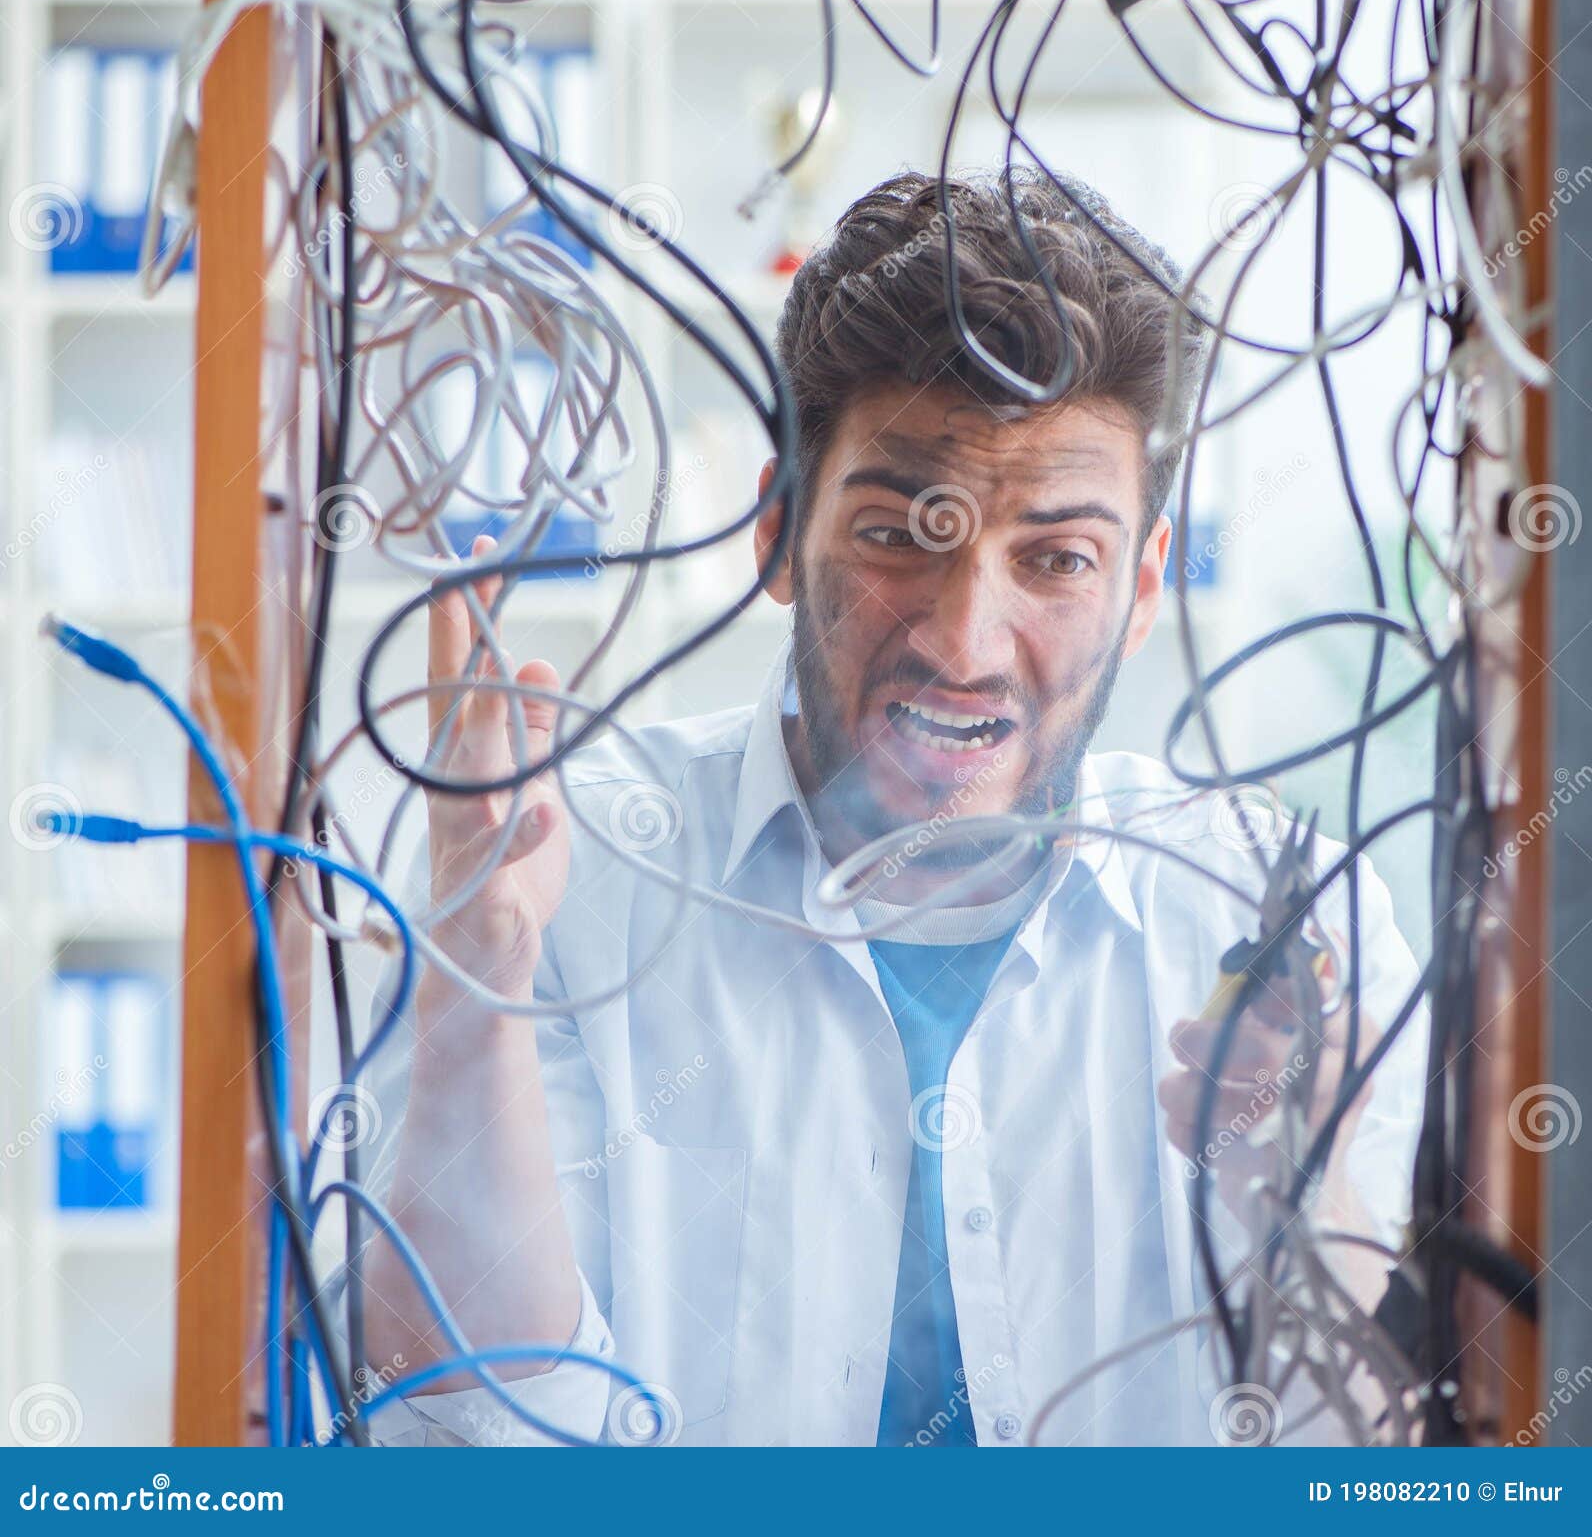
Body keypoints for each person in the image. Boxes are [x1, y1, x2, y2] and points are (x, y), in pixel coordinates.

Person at [356, 168, 1427, 1447]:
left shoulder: (1277, 918)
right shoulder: (560, 871)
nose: (964, 640)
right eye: (896, 534)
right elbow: (471, 1444)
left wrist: (1295, 1203)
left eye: (1055, 559)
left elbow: (1383, 1471)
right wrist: (473, 985)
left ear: (1143, 587)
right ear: (775, 531)